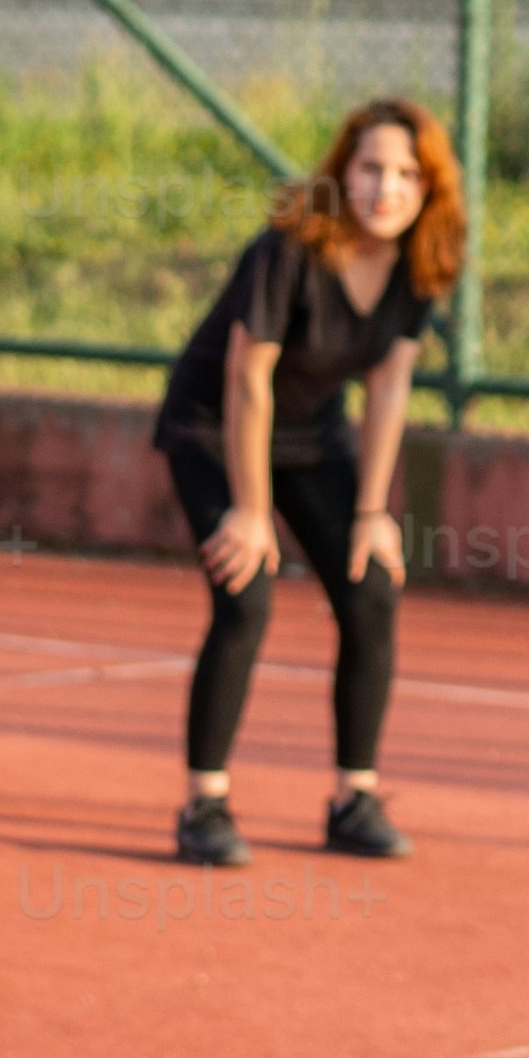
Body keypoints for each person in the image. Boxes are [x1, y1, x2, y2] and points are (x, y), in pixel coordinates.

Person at [152, 98, 453, 865]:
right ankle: (205, 806)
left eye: (407, 175)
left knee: (371, 586)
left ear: (429, 189)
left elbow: (388, 388)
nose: (387, 189)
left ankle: (354, 798)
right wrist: (251, 512)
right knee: (246, 592)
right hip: (213, 430)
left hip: (313, 439)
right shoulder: (289, 247)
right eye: (371, 169)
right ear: (341, 173)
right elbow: (246, 379)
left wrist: (371, 511)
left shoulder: (420, 261)